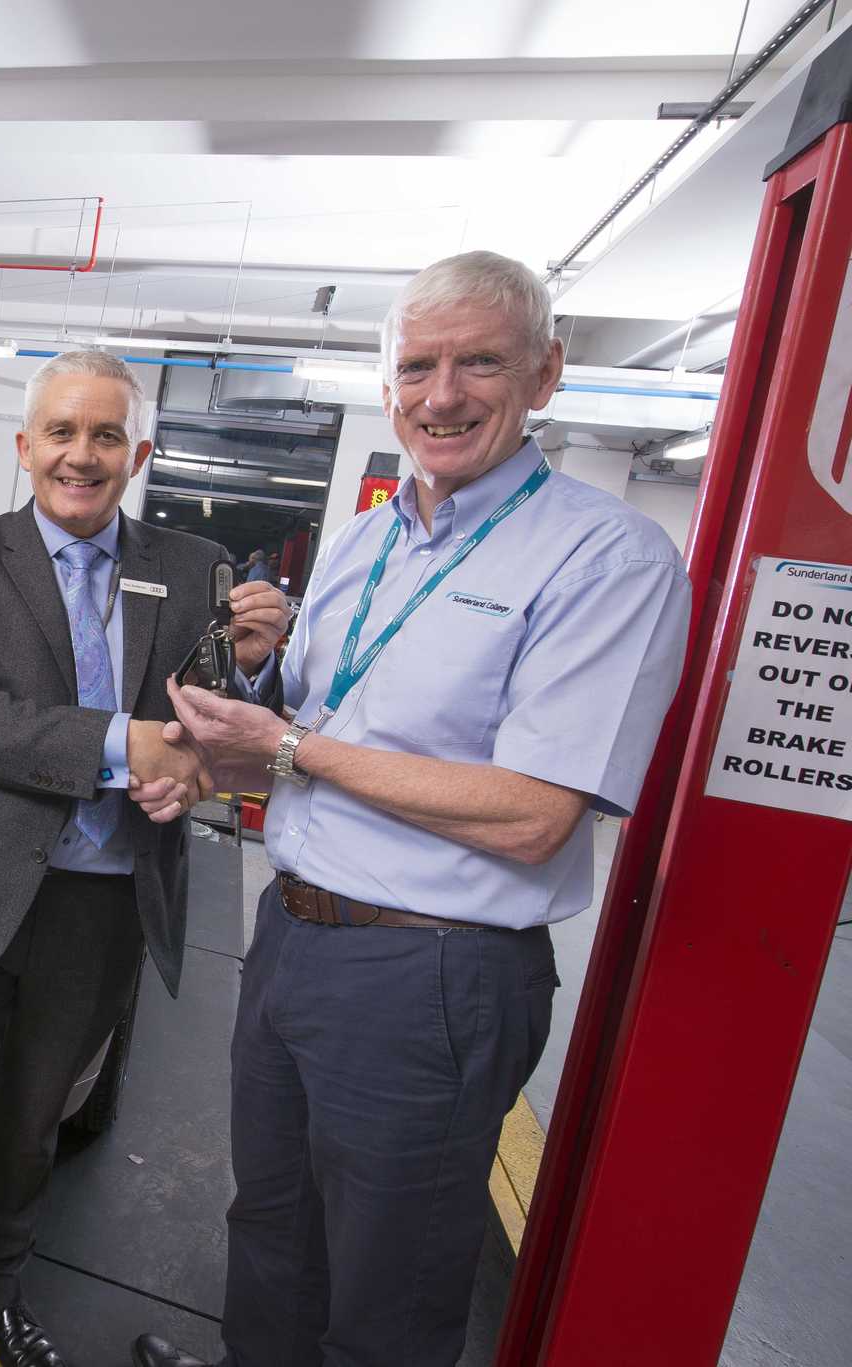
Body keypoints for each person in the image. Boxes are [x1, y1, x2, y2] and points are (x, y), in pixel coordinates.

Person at [130, 251, 692, 1367]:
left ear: (544, 375)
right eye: (416, 365)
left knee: (386, 1284)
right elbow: (298, 749)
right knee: (272, 1228)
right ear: (386, 385)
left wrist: (286, 742)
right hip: (292, 933)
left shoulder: (603, 556)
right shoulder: (365, 540)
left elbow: (535, 813)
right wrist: (234, 711)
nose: (440, 394)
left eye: (477, 362)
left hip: (430, 970)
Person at [0, 349, 290, 1367]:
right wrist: (119, 744)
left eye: (104, 434)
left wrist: (237, 692)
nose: (80, 455)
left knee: (28, 1126)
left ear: (135, 451)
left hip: (101, 904)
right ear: (24, 446)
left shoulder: (194, 570)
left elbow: (214, 715)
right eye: (60, 431)